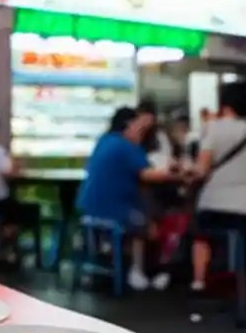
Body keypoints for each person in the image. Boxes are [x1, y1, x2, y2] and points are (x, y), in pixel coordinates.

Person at [75, 106, 176, 290]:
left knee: (140, 212)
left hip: (89, 207)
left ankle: (122, 264)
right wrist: (175, 173)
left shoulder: (104, 140)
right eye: (140, 127)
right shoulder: (126, 146)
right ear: (129, 125)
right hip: (113, 210)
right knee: (147, 223)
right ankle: (138, 270)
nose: (142, 133)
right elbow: (147, 174)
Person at [188, 81, 246, 294]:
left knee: (200, 233)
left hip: (216, 204)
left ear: (224, 103)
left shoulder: (216, 128)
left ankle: (199, 280)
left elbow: (202, 168)